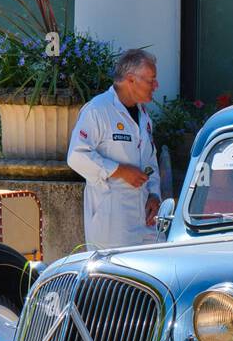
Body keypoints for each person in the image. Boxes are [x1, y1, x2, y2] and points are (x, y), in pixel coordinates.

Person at [67, 48, 163, 249]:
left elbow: (150, 161)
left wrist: (154, 194)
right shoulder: (97, 110)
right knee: (115, 278)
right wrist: (119, 170)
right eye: (151, 80)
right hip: (111, 223)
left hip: (146, 221)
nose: (156, 85)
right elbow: (76, 156)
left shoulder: (143, 115)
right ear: (130, 79)